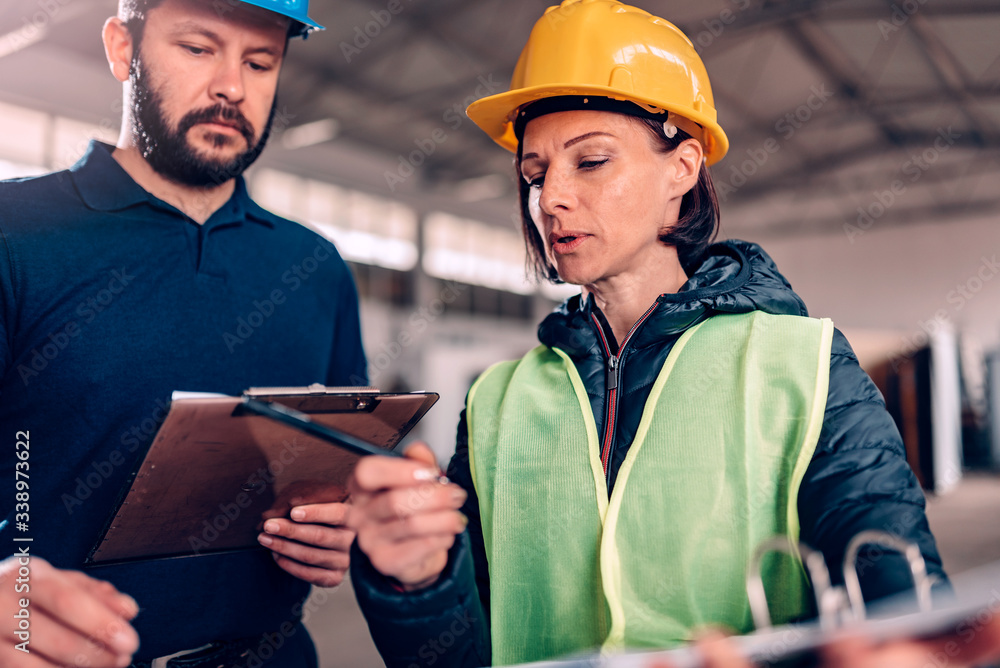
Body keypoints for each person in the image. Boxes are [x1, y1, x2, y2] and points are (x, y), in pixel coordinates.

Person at [343, 1, 971, 666]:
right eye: (533, 173)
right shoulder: (499, 398)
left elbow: (901, 610)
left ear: (683, 168)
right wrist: (415, 582)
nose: (550, 198)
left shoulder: (806, 367)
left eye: (590, 162)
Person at [0, 0, 365, 666]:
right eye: (198, 48)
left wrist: (343, 525)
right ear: (122, 49)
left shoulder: (315, 270)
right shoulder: (15, 234)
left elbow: (342, 474)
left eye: (261, 62)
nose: (232, 86)